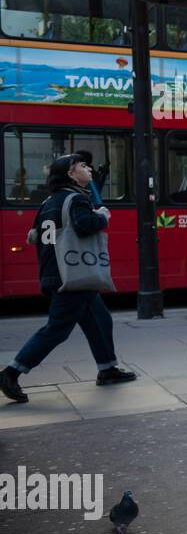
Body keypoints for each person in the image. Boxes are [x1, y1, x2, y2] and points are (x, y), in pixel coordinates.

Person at [0, 154, 137, 404]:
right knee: (56, 329)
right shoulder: (76, 199)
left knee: (100, 319)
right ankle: (11, 373)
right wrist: (103, 216)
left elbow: (35, 236)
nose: (89, 169)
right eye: (83, 166)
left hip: (58, 272)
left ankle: (108, 368)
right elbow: (85, 225)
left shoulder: (49, 202)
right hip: (72, 275)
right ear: (71, 174)